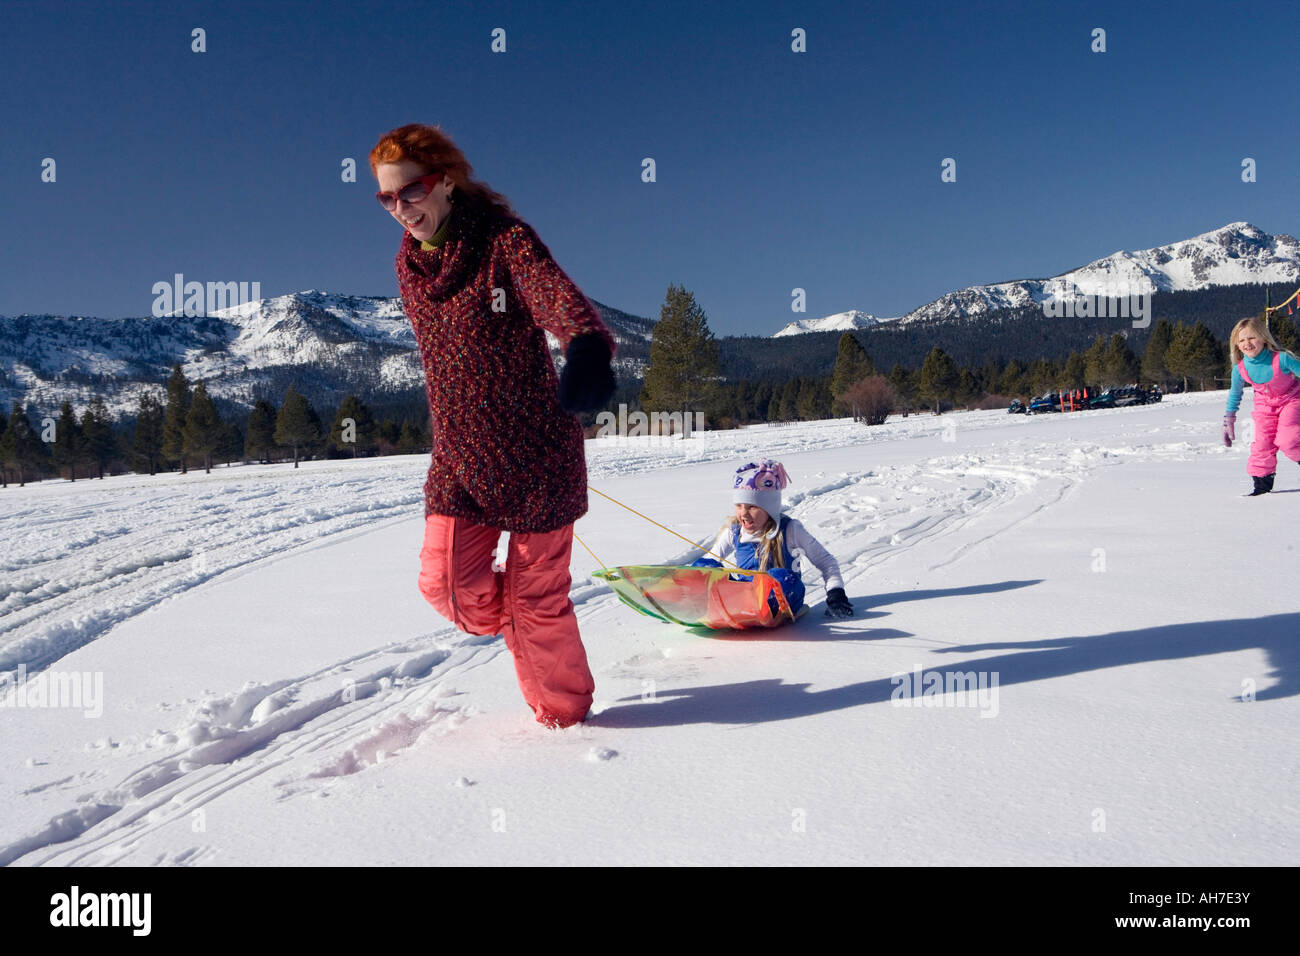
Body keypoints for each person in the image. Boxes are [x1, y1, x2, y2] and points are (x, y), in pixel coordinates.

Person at [370, 123, 616, 728]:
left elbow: (550, 292)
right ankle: (519, 616)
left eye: (412, 191)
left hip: (537, 449)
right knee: (445, 584)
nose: (401, 209)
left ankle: (565, 723)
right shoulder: (409, 266)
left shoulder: (505, 240)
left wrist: (584, 345)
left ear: (447, 181)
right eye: (386, 198)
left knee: (538, 599)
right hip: (460, 456)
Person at [693, 459, 853, 618]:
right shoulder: (735, 531)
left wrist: (836, 593)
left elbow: (827, 562)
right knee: (706, 566)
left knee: (778, 578)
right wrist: (699, 578)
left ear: (769, 508)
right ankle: (692, 602)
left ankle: (763, 608)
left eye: (752, 507)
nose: (743, 513)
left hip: (786, 596)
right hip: (744, 597)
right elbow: (711, 560)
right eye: (739, 505)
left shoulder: (790, 530)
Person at [1223, 314, 1300, 495]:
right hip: (1264, 407)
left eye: (1252, 337)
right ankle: (1262, 487)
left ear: (1263, 339)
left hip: (1291, 400)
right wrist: (1228, 419)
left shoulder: (1282, 359)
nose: (1247, 343)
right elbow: (1235, 394)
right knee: (1262, 444)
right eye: (1241, 340)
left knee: (1288, 440)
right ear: (1236, 344)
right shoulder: (1240, 368)